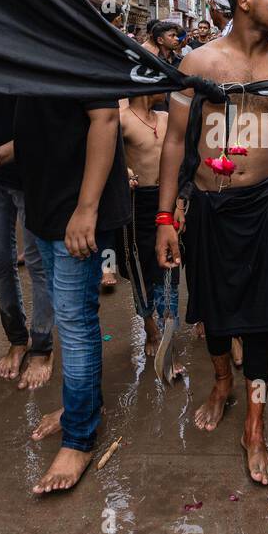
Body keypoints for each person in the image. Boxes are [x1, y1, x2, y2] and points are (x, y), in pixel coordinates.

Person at [156, 0, 268, 487]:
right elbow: (175, 142)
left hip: (267, 209)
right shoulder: (197, 64)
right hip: (209, 209)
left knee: (264, 319)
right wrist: (163, 218)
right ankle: (221, 382)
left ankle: (254, 422)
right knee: (214, 312)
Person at [0, 79, 132, 493]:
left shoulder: (72, 27)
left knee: (75, 323)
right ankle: (81, 408)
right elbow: (46, 130)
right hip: (45, 204)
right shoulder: (26, 43)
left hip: (74, 209)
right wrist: (1, 154)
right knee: (74, 318)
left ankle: (79, 438)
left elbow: (105, 119)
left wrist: (87, 209)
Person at [0, 91, 55, 391]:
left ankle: (42, 347)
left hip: (30, 175)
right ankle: (17, 340)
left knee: (38, 265)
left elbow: (46, 125)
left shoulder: (31, 49)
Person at [117, 90, 178, 363]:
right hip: (135, 202)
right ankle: (150, 326)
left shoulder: (166, 118)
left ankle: (168, 338)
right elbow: (103, 153)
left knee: (169, 267)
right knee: (139, 266)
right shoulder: (121, 120)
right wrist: (124, 173)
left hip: (165, 198)